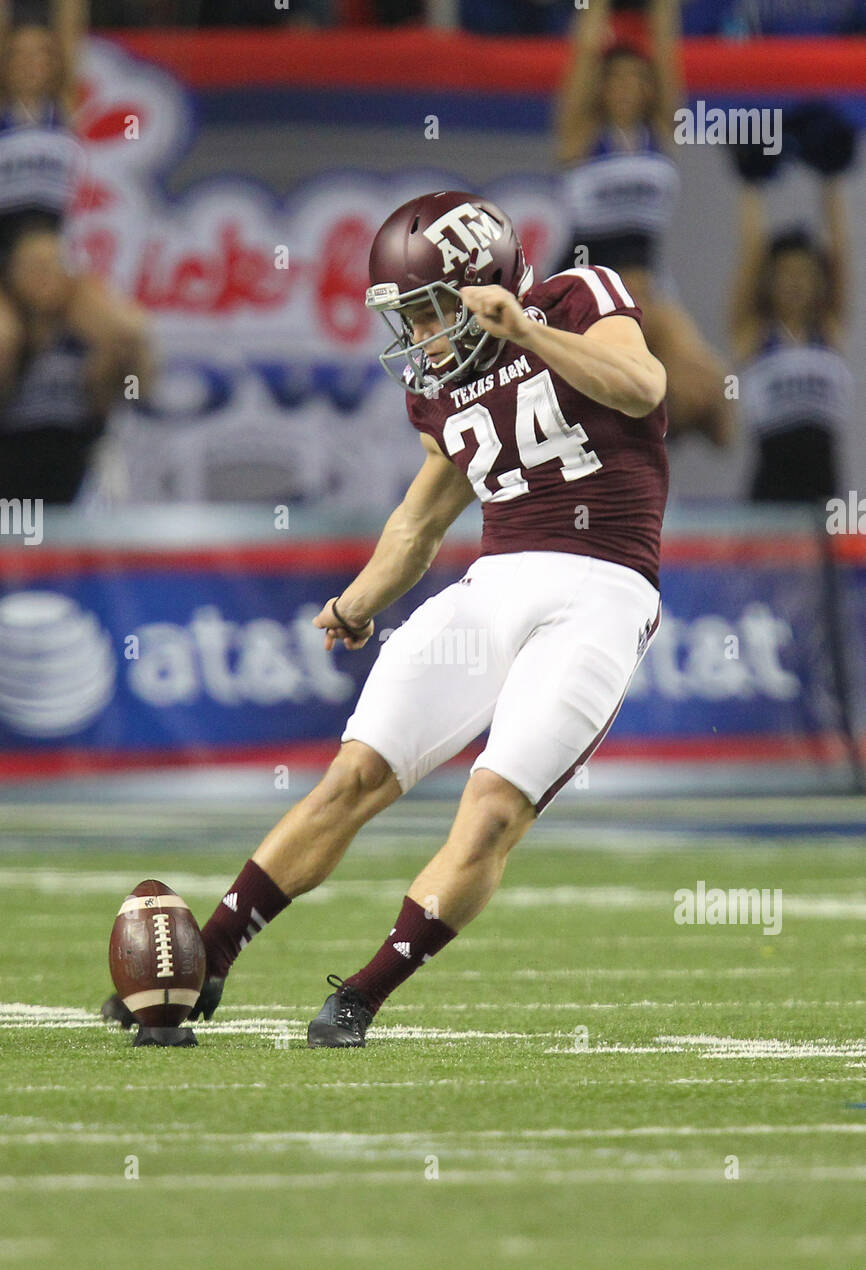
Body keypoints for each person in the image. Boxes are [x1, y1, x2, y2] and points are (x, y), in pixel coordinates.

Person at [103, 190, 668, 1048]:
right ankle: (210, 957)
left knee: (491, 810)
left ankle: (361, 996)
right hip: (496, 582)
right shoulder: (446, 389)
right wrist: (357, 602)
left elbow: (640, 387)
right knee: (355, 776)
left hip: (604, 589)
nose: (422, 333)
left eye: (431, 308)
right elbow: (421, 519)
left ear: (482, 285)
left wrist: (526, 332)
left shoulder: (575, 298)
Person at [555, 0, 731, 444]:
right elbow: (583, 51)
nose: (627, 88)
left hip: (649, 282)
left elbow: (667, 45)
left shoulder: (661, 133)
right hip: (588, 280)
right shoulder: (581, 136)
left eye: (638, 79)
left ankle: (649, 442)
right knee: (584, 393)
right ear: (601, 86)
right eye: (616, 79)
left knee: (711, 390)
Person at [0, 0, 152, 427]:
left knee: (127, 335)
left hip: (56, 266)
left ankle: (89, 441)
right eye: (20, 54)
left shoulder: (60, 110)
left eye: (42, 54)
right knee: (3, 342)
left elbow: (69, 22)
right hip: (5, 269)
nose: (32, 63)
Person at [730, 128, 854, 502]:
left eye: (804, 275)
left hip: (825, 492)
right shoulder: (753, 334)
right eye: (785, 275)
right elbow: (752, 255)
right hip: (770, 491)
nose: (795, 284)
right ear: (769, 283)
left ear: (819, 283)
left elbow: (839, 253)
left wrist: (829, 176)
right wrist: (752, 183)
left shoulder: (828, 328)